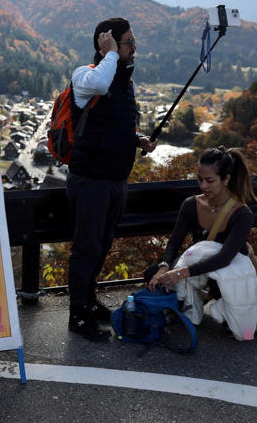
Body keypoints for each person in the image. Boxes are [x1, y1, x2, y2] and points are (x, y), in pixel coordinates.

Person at [66, 18, 156, 341]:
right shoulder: (86, 76)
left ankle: (89, 302)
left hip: (115, 180)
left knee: (101, 245)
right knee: (86, 248)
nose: (135, 47)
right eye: (129, 41)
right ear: (109, 44)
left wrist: (137, 139)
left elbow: (114, 124)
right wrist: (109, 55)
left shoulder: (124, 82)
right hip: (90, 180)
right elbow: (101, 85)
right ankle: (77, 315)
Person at [146, 147, 257, 340]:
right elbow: (174, 242)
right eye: (199, 179)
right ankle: (188, 302)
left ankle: (213, 300)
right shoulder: (191, 204)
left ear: (226, 179)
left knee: (252, 328)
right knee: (153, 275)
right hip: (202, 265)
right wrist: (164, 268)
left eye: (210, 181)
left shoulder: (241, 213)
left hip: (233, 268)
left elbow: (225, 258)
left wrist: (180, 273)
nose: (203, 186)